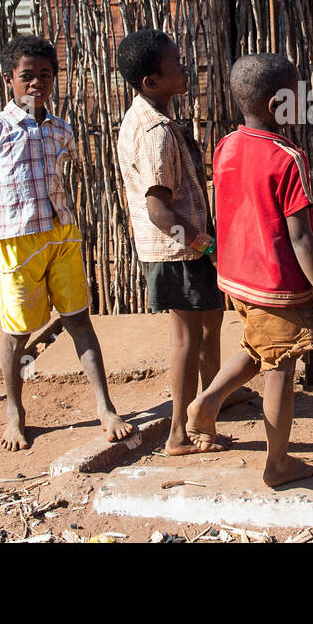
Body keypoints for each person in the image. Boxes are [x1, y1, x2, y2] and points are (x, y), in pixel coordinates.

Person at [0, 34, 134, 452]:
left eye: (45, 76)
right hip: (17, 243)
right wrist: (6, 220)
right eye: (27, 76)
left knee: (78, 320)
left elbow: (67, 175)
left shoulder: (61, 130)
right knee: (17, 333)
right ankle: (15, 413)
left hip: (62, 235)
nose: (36, 83)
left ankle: (104, 406)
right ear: (9, 80)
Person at [185, 54, 313, 486]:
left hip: (236, 277)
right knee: (282, 366)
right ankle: (278, 463)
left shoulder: (226, 144)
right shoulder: (288, 158)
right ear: (278, 105)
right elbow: (301, 238)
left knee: (260, 348)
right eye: (300, 96)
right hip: (276, 283)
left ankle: (206, 403)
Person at [115, 29, 225, 456]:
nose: (184, 69)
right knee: (186, 340)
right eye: (176, 64)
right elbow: (159, 211)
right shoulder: (156, 132)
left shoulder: (149, 119)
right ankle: (179, 433)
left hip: (184, 248)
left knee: (208, 327)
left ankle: (209, 411)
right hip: (178, 251)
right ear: (151, 82)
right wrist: (206, 246)